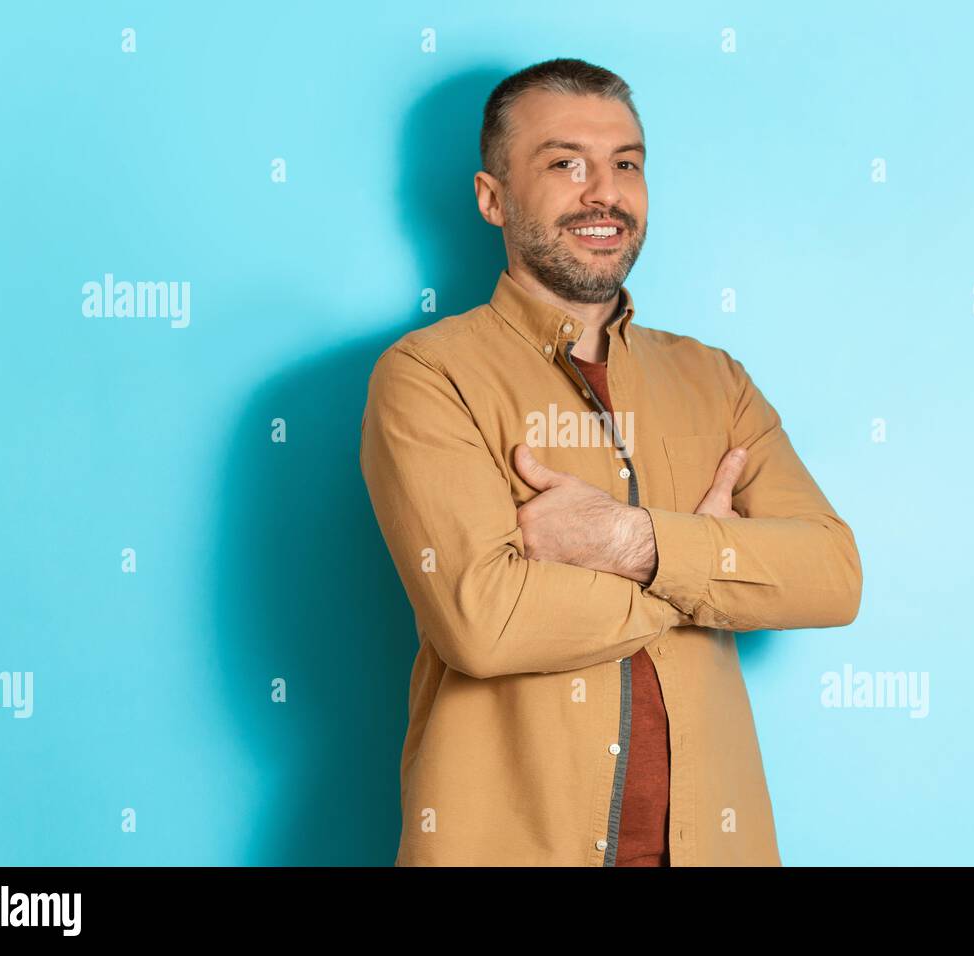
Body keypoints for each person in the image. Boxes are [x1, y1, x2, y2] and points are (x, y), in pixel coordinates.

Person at [360, 57, 862, 866]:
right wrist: (704, 566)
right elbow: (485, 623)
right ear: (493, 198)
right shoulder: (429, 374)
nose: (605, 193)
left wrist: (633, 542)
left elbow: (833, 575)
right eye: (566, 164)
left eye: (626, 164)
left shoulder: (716, 378)